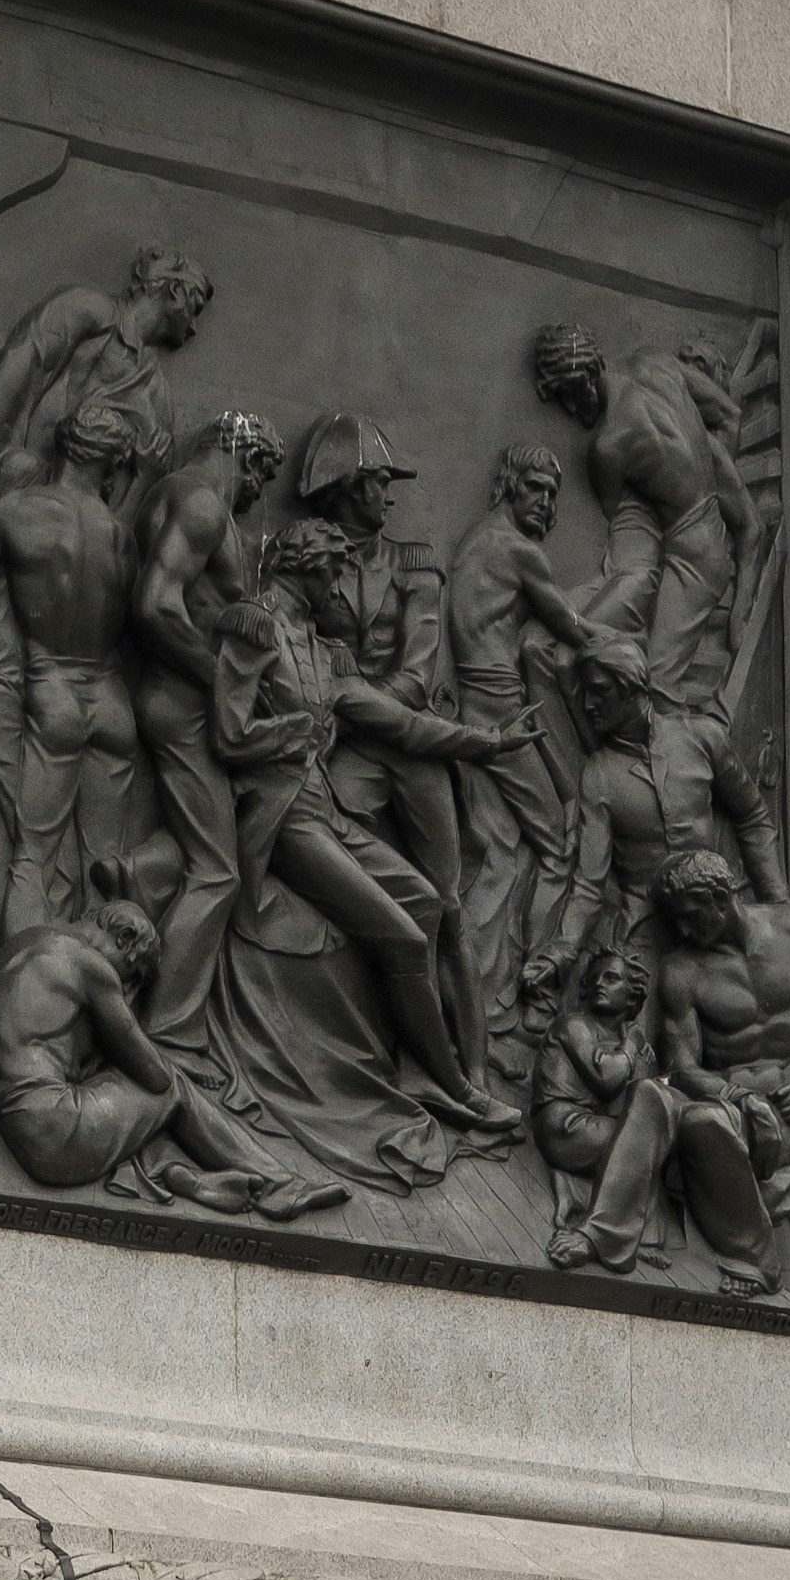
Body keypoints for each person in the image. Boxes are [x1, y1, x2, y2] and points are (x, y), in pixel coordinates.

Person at [210, 520, 536, 1135]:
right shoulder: (253, 627)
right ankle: (456, 1088)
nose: (339, 591)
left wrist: (488, 742)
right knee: (407, 939)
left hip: (324, 811)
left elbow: (402, 724)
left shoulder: (320, 650)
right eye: (334, 574)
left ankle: (423, 1064)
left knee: (429, 903)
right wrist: (290, 732)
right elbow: (228, 735)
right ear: (306, 566)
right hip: (282, 819)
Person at [0, 868, 345, 1216]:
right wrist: (174, 1066)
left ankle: (179, 1173)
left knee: (119, 1087)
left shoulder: (30, 941)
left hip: (23, 1127)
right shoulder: (91, 966)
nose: (128, 987)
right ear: (125, 938)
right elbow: (157, 1078)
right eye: (133, 973)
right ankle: (280, 1185)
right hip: (55, 1131)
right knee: (172, 1089)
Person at [293, 412, 472, 1079]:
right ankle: (380, 1052)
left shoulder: (414, 565)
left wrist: (351, 703)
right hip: (343, 757)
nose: (388, 493)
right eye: (377, 481)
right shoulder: (305, 558)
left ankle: (470, 1065)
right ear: (348, 486)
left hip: (408, 745)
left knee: (447, 907)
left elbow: (418, 670)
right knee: (362, 900)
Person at [442, 446, 637, 1039]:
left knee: (500, 854)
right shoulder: (517, 551)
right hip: (502, 709)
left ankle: (459, 988)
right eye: (535, 488)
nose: (546, 503)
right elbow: (571, 629)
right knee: (557, 845)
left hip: (472, 711)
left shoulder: (476, 541)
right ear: (508, 485)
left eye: (553, 494)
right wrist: (632, 651)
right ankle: (537, 982)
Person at [117, 410, 290, 1044]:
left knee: (210, 831)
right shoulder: (202, 506)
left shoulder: (168, 494)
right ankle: (168, 1032)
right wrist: (220, 677)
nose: (256, 497)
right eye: (259, 480)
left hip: (176, 699)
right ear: (247, 456)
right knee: (218, 871)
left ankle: (136, 871)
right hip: (185, 703)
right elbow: (155, 605)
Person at [0, 380, 153, 940]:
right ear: (114, 465)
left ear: (65, 448)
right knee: (105, 862)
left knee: (33, 857)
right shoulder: (122, 535)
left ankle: (27, 983)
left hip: (55, 692)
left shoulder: (15, 512)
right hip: (113, 704)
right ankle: (95, 981)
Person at [650, 848, 790, 1294]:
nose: (683, 930)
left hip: (783, 1121)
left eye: (690, 916)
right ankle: (756, 1260)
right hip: (728, 1107)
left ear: (720, 898)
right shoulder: (680, 971)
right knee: (700, 1120)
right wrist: (737, 1096)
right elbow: (683, 1068)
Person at [531, 322, 760, 716]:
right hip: (684, 540)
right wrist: (708, 467)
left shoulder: (608, 447)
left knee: (654, 685)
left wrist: (702, 480)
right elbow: (729, 414)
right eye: (560, 399)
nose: (570, 409)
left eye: (571, 394)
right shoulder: (656, 363)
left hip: (696, 558)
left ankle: (682, 763)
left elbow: (630, 544)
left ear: (590, 373)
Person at [555, 649, 787, 970]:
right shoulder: (598, 774)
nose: (588, 705)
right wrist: (563, 948)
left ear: (632, 687)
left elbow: (752, 817)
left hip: (714, 913)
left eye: (599, 691)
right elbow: (588, 883)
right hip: (646, 929)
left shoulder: (704, 737)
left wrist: (779, 904)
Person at [0, 249, 213, 505]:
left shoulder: (158, 393)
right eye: (196, 307)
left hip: (74, 517)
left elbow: (145, 480)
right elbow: (23, 358)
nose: (192, 327)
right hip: (15, 480)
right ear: (175, 291)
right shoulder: (88, 309)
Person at [528, 949, 680, 1272]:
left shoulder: (626, 1043)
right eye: (594, 977)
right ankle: (610, 1237)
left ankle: (632, 1235)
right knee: (643, 1144)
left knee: (649, 1136)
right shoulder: (573, 1024)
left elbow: (635, 1105)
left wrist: (642, 1063)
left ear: (632, 996)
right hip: (563, 1124)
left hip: (591, 1128)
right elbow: (607, 1078)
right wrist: (633, 1043)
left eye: (611, 978)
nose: (599, 983)